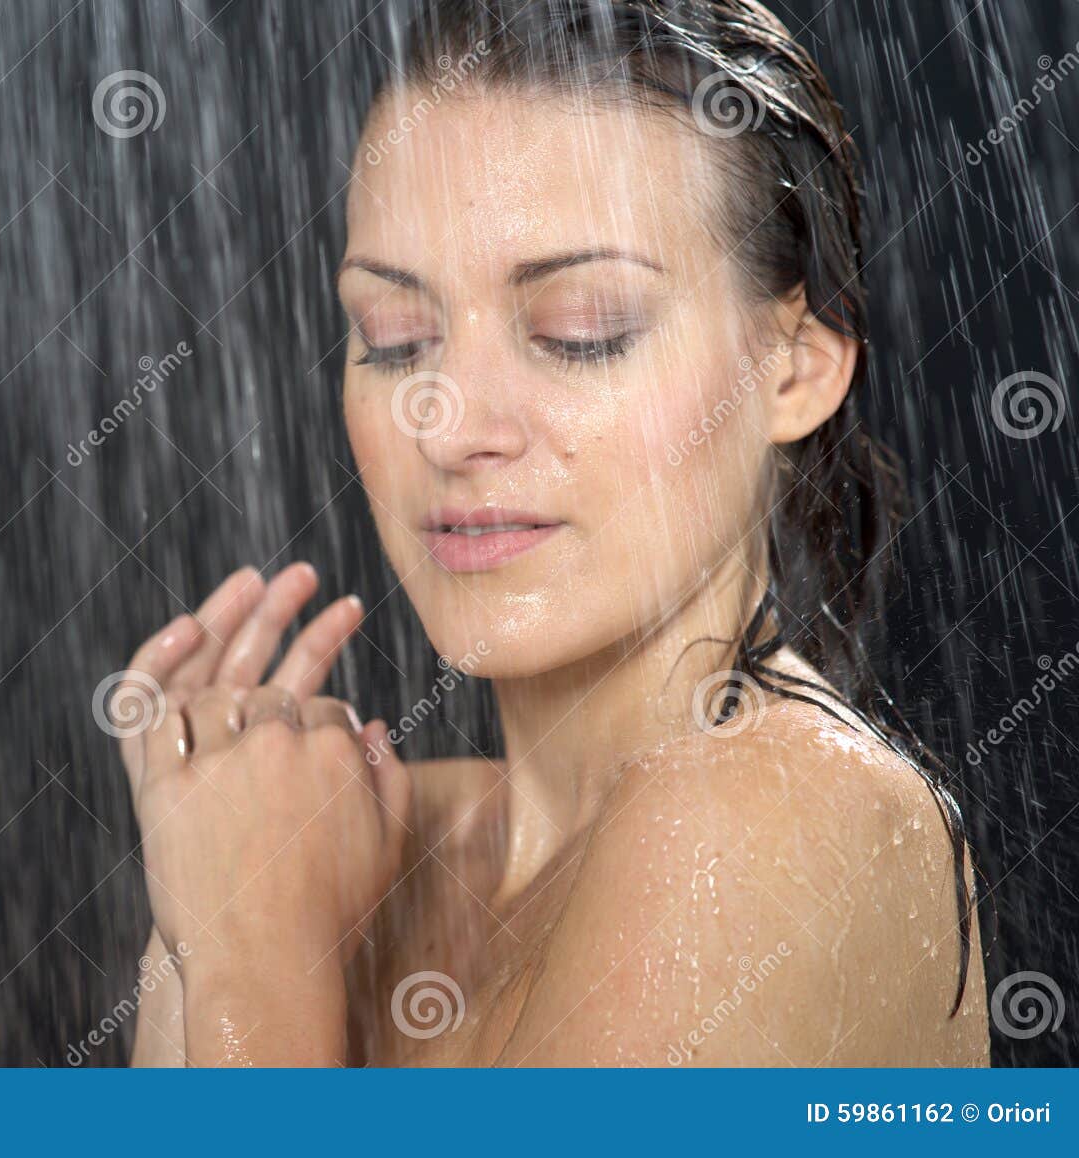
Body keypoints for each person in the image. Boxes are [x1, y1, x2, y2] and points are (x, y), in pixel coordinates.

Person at [115, 0, 988, 1066]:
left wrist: (254, 959)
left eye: (582, 334)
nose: (453, 424)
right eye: (395, 340)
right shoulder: (333, 850)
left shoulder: (779, 814)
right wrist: (221, 916)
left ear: (796, 367)